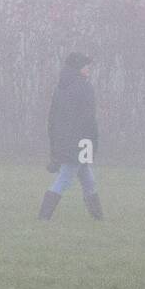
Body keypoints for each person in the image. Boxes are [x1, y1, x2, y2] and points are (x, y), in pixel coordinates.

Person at [38, 52, 103, 220]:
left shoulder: (60, 87)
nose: (88, 69)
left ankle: (98, 218)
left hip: (64, 141)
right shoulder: (84, 87)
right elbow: (89, 119)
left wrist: (55, 144)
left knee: (88, 179)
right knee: (65, 178)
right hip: (81, 142)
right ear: (78, 68)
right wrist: (93, 142)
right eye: (85, 66)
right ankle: (43, 217)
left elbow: (52, 118)